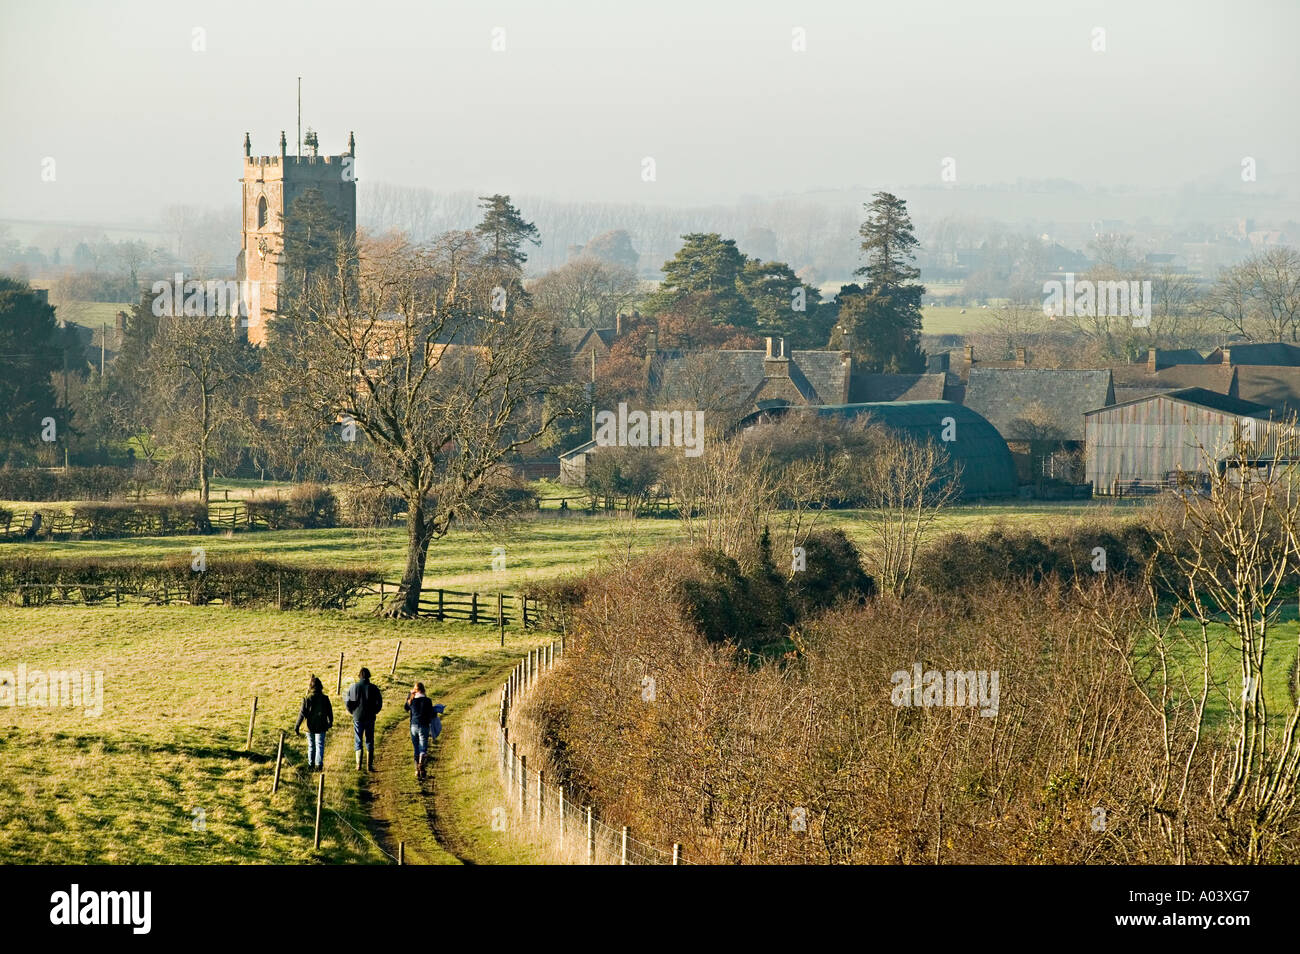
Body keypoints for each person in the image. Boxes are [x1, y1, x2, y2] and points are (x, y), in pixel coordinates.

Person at [404, 683, 446, 781]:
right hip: (424, 726)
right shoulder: (428, 701)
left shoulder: (412, 701)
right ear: (424, 690)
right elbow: (431, 713)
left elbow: (405, 708)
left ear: (415, 690)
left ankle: (416, 771)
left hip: (413, 726)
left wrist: (409, 695)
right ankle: (421, 764)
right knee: (423, 748)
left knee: (416, 748)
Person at [345, 667, 383, 771]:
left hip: (358, 716)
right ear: (369, 676)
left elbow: (348, 703)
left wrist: (353, 712)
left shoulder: (353, 687)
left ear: (359, 676)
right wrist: (375, 711)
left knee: (358, 739)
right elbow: (379, 703)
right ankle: (369, 766)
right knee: (370, 740)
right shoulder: (374, 688)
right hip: (370, 717)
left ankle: (358, 765)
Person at [294, 675, 333, 771]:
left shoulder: (306, 699)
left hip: (309, 727)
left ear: (310, 686)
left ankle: (311, 765)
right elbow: (329, 711)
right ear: (320, 686)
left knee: (311, 746)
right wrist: (330, 722)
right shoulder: (325, 698)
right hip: (321, 726)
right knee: (320, 745)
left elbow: (301, 714)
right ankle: (319, 766)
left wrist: (297, 726)